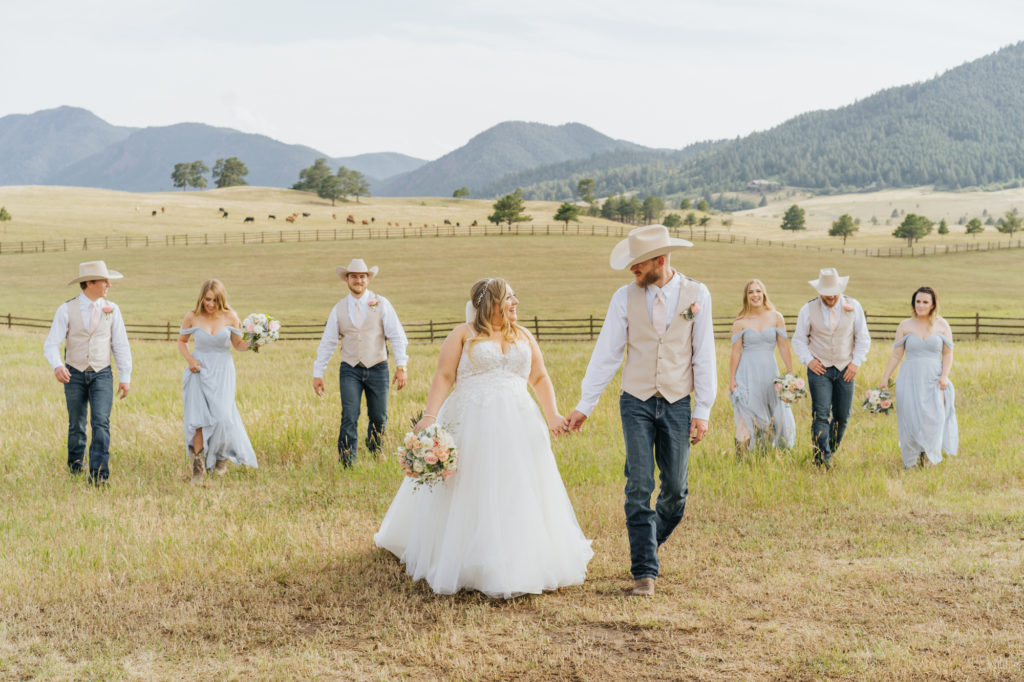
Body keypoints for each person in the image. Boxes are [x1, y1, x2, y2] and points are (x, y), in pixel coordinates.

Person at [374, 278, 593, 598]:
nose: (516, 303)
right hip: (471, 421)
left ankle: (519, 555)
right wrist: (430, 417)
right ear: (490, 302)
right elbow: (445, 376)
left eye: (516, 297)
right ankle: (465, 556)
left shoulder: (524, 335)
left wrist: (553, 415)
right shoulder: (463, 334)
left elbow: (540, 376)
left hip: (519, 421)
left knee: (518, 486)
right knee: (473, 486)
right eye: (509, 298)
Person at [566, 224, 717, 597]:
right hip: (635, 400)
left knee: (676, 492)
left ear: (660, 261)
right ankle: (644, 572)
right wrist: (586, 404)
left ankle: (647, 542)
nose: (632, 270)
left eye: (638, 264)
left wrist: (704, 409)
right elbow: (607, 353)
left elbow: (704, 354)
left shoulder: (698, 294)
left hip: (679, 401)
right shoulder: (623, 298)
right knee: (639, 486)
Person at [313, 258, 409, 467]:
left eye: (362, 277)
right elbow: (328, 342)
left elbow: (397, 335)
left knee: (379, 416)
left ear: (368, 279)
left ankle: (375, 448)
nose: (358, 281)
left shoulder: (382, 304)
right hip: (350, 369)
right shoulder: (338, 308)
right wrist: (318, 372)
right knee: (349, 414)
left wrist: (401, 366)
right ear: (347, 279)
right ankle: (347, 460)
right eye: (354, 277)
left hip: (378, 367)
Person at [43, 261, 132, 484]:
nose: (108, 285)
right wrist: (57, 365)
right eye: (104, 281)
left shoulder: (113, 310)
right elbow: (51, 344)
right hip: (74, 374)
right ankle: (75, 466)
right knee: (77, 423)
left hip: (102, 373)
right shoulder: (66, 309)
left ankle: (99, 474)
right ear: (90, 283)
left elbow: (120, 345)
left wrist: (125, 377)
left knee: (101, 422)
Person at [177, 279, 258, 482]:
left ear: (221, 300)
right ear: (202, 298)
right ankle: (198, 468)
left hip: (222, 371)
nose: (210, 304)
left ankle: (220, 460)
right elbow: (182, 341)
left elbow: (238, 345)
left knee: (223, 418)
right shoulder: (192, 317)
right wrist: (190, 360)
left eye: (214, 300)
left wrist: (256, 341)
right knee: (198, 420)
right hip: (199, 370)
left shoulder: (231, 317)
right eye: (207, 299)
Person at [791, 267, 871, 470]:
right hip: (820, 369)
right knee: (821, 414)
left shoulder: (854, 306)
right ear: (820, 292)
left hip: (846, 367)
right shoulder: (807, 309)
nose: (831, 297)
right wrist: (809, 360)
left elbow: (863, 337)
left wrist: (856, 362)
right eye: (826, 294)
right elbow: (799, 340)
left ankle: (830, 449)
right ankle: (821, 460)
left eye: (834, 292)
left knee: (843, 416)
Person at [877, 286, 958, 468]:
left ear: (933, 304)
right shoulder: (905, 325)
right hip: (909, 377)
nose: (920, 305)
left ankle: (928, 455)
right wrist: (885, 377)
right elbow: (896, 354)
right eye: (918, 301)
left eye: (925, 302)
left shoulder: (942, 325)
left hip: (934, 377)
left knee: (934, 417)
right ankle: (911, 461)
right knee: (910, 418)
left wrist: (945, 376)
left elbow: (947, 353)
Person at [728, 279, 796, 456]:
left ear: (764, 293)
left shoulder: (776, 317)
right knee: (746, 418)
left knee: (774, 418)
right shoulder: (740, 321)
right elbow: (735, 353)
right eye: (751, 292)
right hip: (747, 374)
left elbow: (783, 347)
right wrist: (731, 379)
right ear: (746, 296)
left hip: (769, 374)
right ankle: (742, 459)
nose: (755, 295)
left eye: (758, 291)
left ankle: (766, 454)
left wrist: (790, 373)